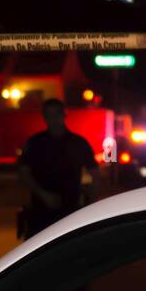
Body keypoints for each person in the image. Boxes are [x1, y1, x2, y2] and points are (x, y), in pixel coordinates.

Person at [18, 98, 99, 239]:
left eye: (57, 114)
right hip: (41, 212)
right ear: (44, 117)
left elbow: (95, 174)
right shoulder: (35, 143)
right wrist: (43, 195)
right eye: (49, 115)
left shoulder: (78, 143)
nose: (53, 119)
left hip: (71, 210)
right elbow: (24, 174)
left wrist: (91, 202)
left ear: (64, 115)